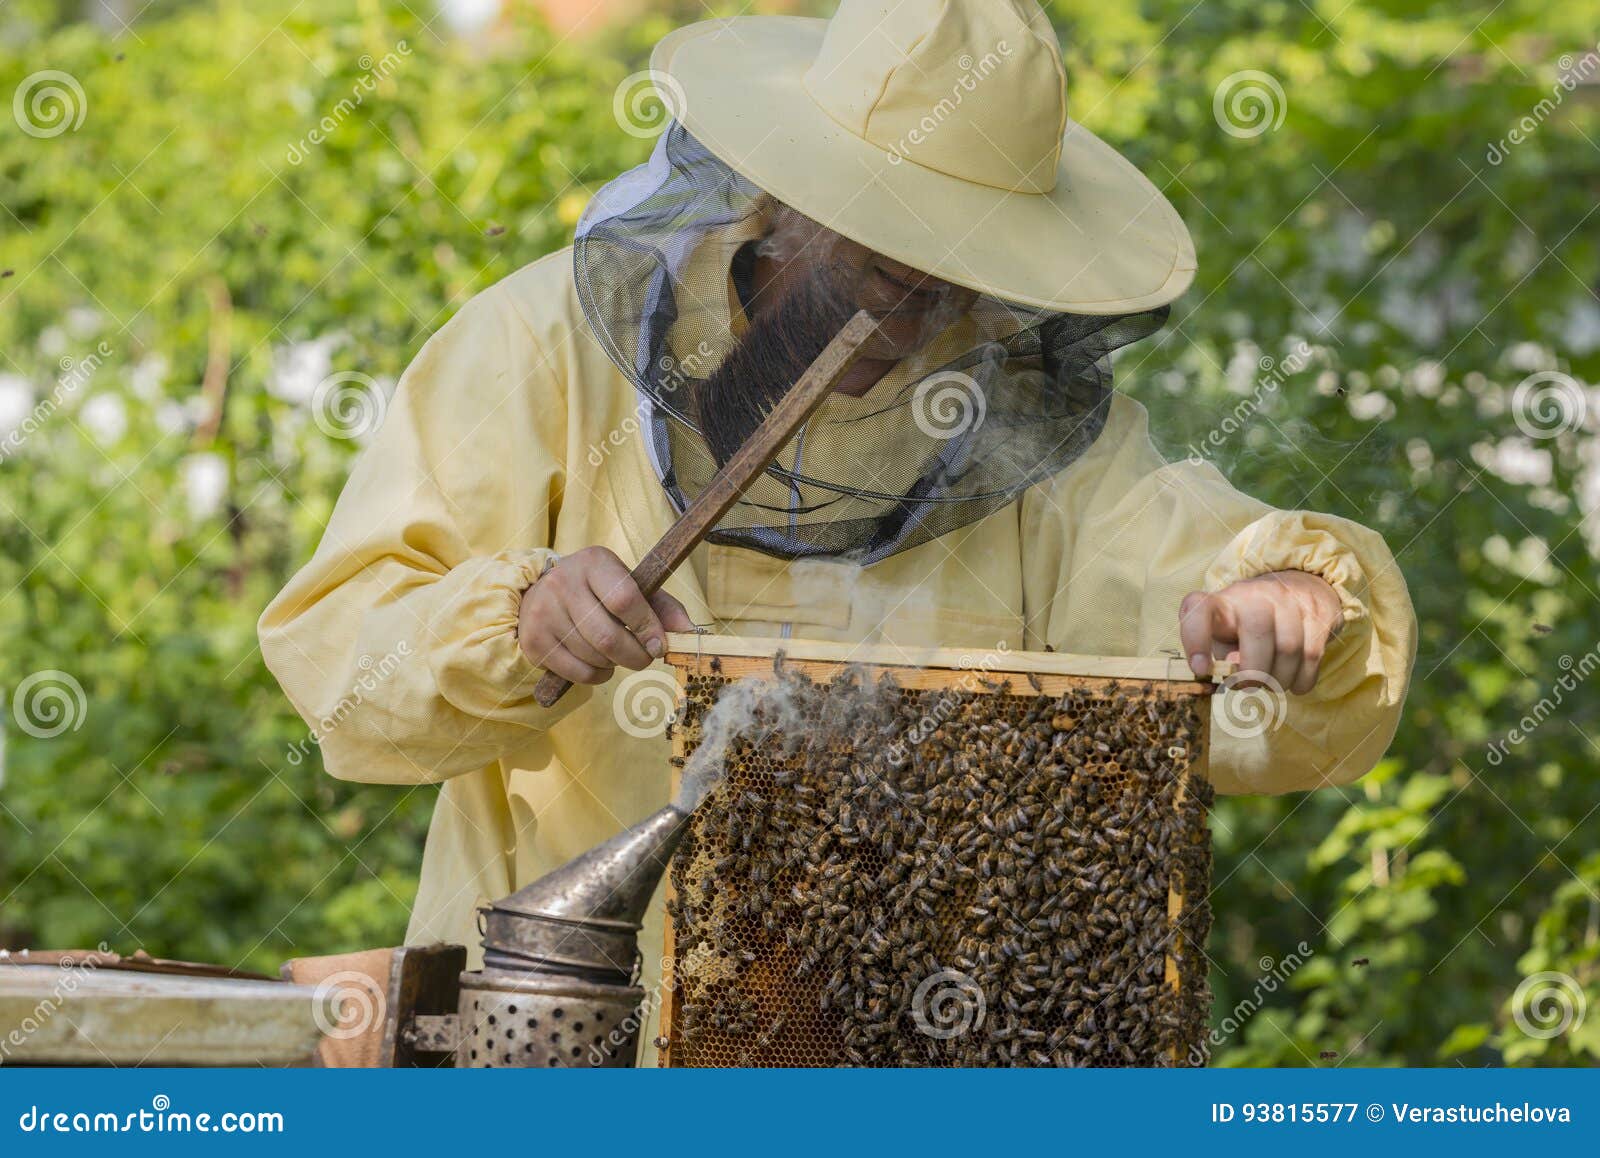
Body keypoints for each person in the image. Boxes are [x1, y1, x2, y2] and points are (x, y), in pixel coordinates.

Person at [260, 0, 1416, 1060]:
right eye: (874, 267)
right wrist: (516, 624)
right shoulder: (536, 348)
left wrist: (1285, 597)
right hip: (553, 1043)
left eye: (951, 281)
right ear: (782, 199)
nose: (904, 318)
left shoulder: (1018, 421)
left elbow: (1180, 565)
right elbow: (341, 666)